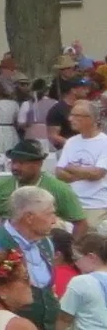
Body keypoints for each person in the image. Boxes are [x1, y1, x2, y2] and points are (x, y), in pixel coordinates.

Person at [0, 185, 63, 330]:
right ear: (29, 217)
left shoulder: (46, 243)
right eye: (49, 214)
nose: (54, 220)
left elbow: (48, 288)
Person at [0, 140, 85, 235]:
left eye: (21, 163)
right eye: (13, 162)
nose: (15, 167)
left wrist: (69, 250)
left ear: (39, 164)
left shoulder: (59, 188)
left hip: (45, 247)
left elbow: (80, 223)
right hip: (8, 246)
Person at [54, 97, 107, 231]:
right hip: (71, 203)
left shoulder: (104, 142)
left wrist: (71, 167)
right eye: (71, 115)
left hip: (95, 205)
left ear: (91, 119)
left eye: (76, 115)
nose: (70, 119)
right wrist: (85, 173)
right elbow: (59, 173)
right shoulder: (71, 142)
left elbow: (97, 174)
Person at [62, 232, 107, 330]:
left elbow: (64, 318)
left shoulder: (80, 282)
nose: (75, 263)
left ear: (92, 257)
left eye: (76, 258)